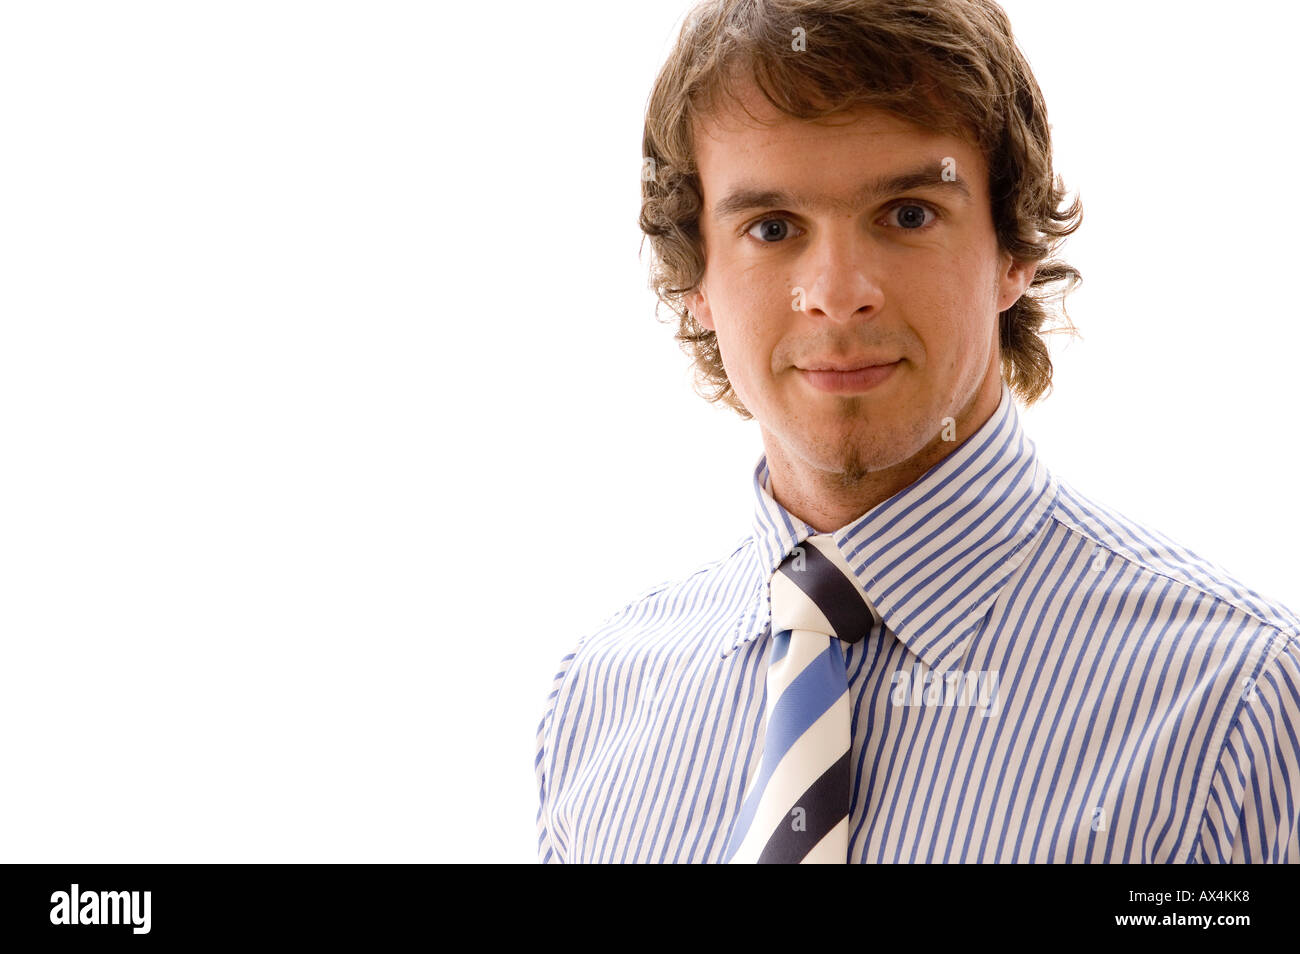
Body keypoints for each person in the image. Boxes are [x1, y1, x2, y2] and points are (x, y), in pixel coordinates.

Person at [534, 0, 1300, 863]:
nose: (835, 290)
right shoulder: (598, 706)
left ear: (1015, 248)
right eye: (772, 228)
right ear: (695, 282)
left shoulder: (1241, 705)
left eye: (906, 214)